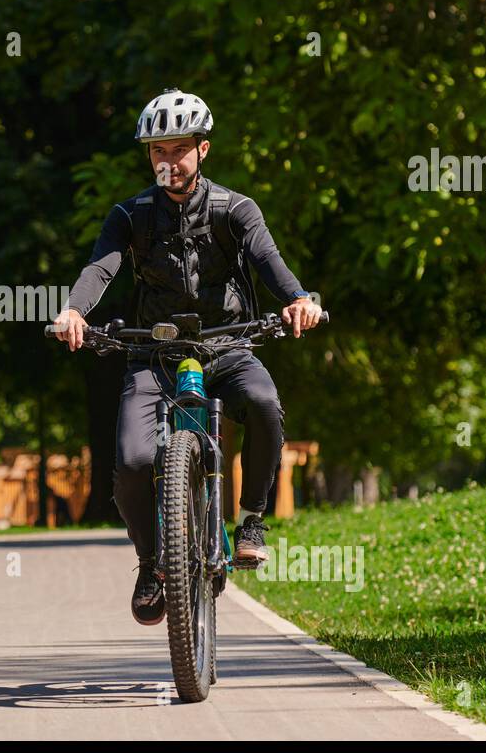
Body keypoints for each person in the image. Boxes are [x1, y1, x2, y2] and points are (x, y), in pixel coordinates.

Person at [50, 88, 323, 625]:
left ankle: (250, 521)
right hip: (154, 355)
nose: (167, 161)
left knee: (265, 404)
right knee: (130, 462)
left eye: (178, 149)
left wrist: (297, 299)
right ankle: (153, 563)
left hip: (226, 346)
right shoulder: (129, 216)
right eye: (157, 151)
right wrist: (74, 311)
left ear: (203, 150)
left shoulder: (236, 209)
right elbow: (100, 269)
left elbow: (268, 261)